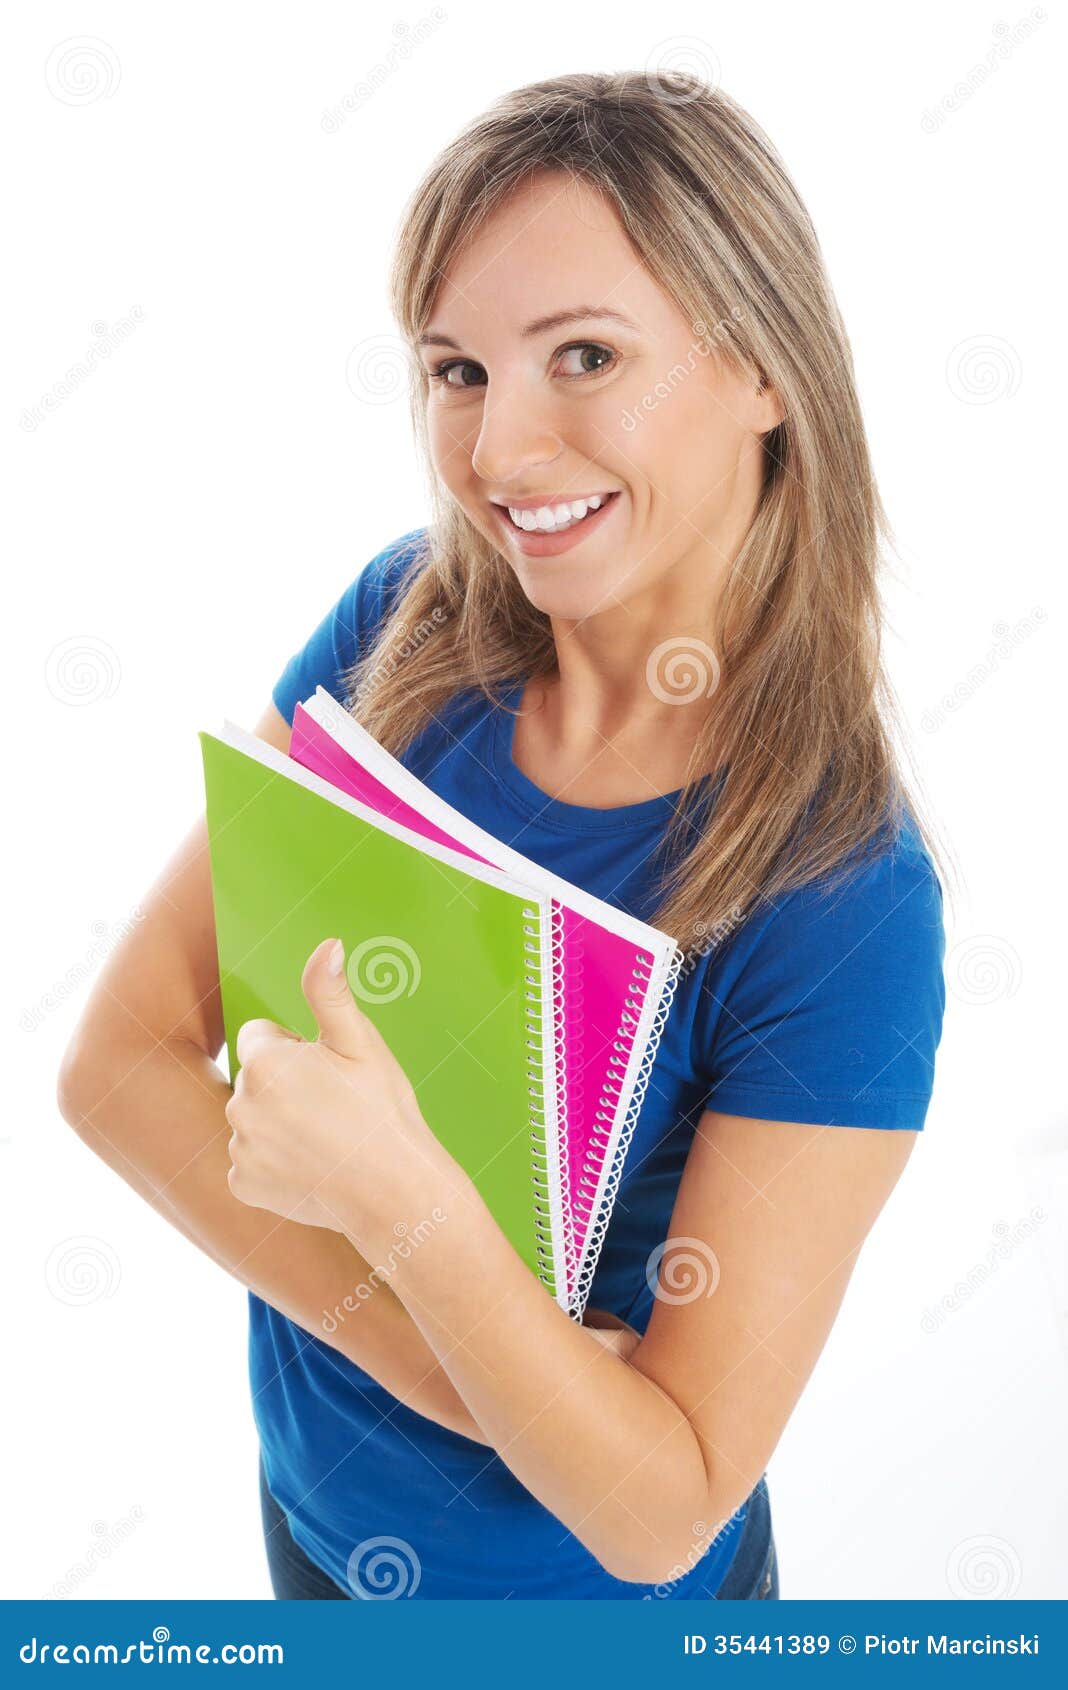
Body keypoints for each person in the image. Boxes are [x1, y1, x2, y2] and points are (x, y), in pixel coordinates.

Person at [57, 72, 946, 1601]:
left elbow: (660, 1513)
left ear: (764, 369)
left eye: (584, 356)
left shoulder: (844, 895)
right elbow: (116, 1065)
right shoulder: (402, 634)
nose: (501, 452)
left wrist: (400, 1207)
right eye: (458, 369)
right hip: (319, 1545)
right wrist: (488, 1379)